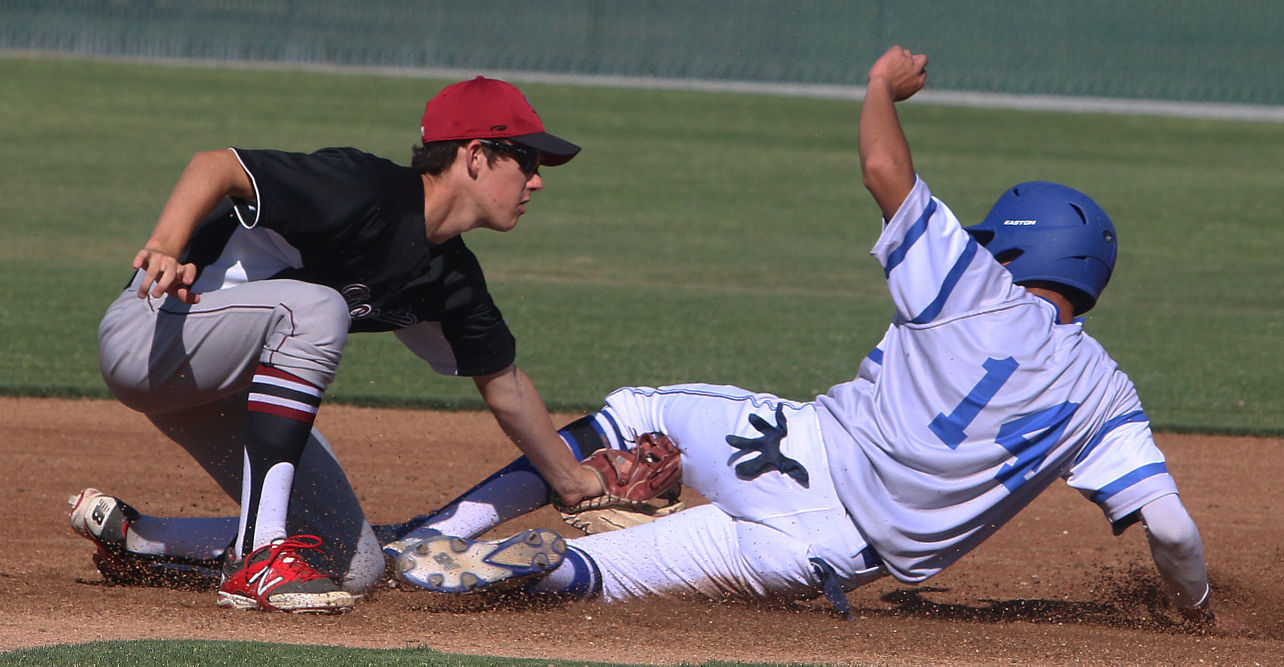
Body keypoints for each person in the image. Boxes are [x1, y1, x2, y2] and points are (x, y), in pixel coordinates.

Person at [384, 47, 1222, 629]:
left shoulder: (975, 284)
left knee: (638, 410)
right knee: (606, 579)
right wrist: (1195, 612)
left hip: (786, 447)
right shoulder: (1107, 394)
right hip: (826, 556)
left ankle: (443, 524)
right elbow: (1175, 531)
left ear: (1011, 247)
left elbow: (884, 172)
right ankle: (549, 565)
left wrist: (880, 87)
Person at [69, 75, 604, 613]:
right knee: (318, 306)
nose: (535, 183)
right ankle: (258, 557)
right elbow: (216, 165)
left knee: (354, 566)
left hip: (229, 392)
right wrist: (164, 244)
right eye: (527, 162)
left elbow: (505, 384)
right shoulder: (364, 188)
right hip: (156, 332)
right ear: (475, 155)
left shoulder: (450, 276)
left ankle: (137, 542)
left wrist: (577, 481)